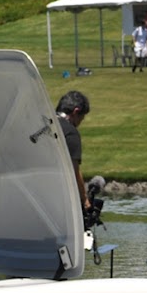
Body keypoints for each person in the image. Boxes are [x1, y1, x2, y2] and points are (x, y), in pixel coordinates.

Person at [56, 91, 94, 222]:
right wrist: (85, 200)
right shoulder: (70, 133)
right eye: (81, 118)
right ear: (75, 112)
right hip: (58, 197)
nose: (79, 123)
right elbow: (74, 171)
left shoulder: (41, 125)